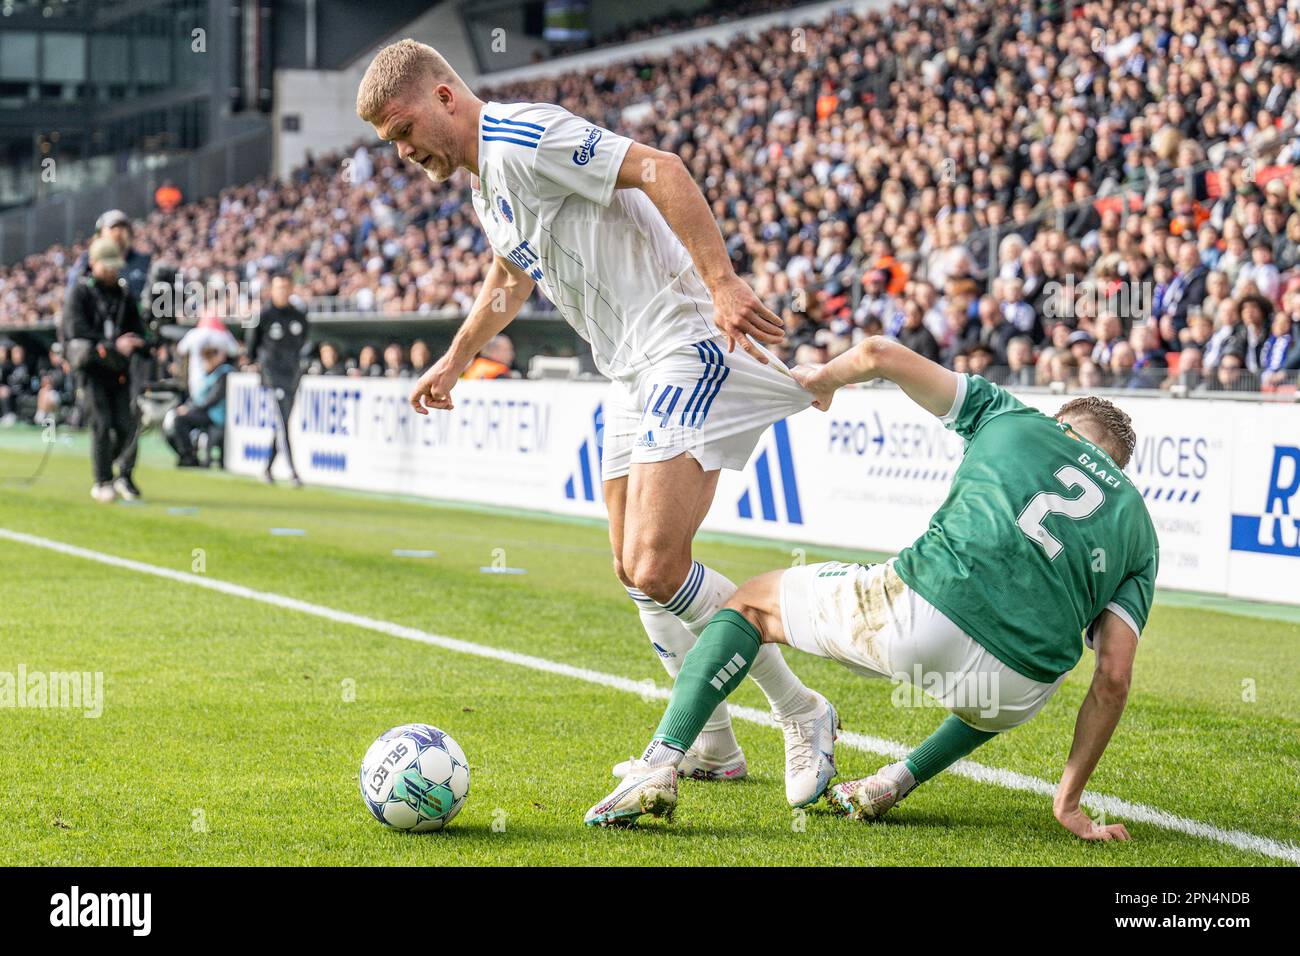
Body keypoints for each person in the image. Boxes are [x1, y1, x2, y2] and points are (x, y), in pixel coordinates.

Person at [358, 39, 833, 804]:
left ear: (445, 97)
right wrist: (454, 358)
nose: (403, 150)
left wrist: (721, 282)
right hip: (628, 369)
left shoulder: (522, 136)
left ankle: (803, 711)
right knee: (633, 572)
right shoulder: (486, 185)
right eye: (390, 143)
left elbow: (661, 168)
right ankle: (714, 746)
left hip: (679, 341)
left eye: (405, 130)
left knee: (657, 565)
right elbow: (509, 277)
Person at [587, 336, 1156, 843]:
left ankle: (661, 762)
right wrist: (1070, 801)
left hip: (920, 619)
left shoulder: (1017, 418)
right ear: (1119, 467)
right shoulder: (1141, 531)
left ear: (1063, 426)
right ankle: (892, 783)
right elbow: (1112, 678)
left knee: (752, 606)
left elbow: (880, 354)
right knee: (1001, 689)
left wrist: (821, 379)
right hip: (1014, 693)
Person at [62, 238, 146, 503]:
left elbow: (138, 329)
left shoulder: (124, 295)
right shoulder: (80, 293)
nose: (112, 271)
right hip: (92, 370)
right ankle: (102, 480)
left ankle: (113, 471)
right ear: (93, 264)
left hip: (119, 371)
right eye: (106, 266)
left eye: (115, 266)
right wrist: (112, 345)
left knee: (126, 425)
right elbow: (77, 331)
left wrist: (139, 342)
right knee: (101, 423)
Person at [245, 273, 309, 485]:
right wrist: (257, 365)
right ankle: (293, 472)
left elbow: (303, 342)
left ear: (291, 289)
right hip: (272, 374)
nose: (282, 291)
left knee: (283, 421)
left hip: (292, 375)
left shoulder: (299, 316)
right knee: (282, 421)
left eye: (286, 287)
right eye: (278, 287)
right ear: (271, 290)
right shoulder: (264, 315)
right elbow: (252, 346)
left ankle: (266, 468)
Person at [163, 346, 233, 467]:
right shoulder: (209, 374)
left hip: (215, 415)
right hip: (203, 411)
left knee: (180, 421)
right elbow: (197, 397)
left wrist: (190, 409)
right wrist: (187, 407)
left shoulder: (224, 373)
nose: (206, 363)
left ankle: (189, 456)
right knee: (172, 422)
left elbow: (213, 399)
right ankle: (187, 454)